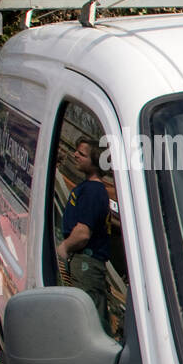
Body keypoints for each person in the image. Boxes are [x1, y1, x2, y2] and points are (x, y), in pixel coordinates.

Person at [55, 136, 113, 333]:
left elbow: (82, 233)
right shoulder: (87, 188)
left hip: (86, 263)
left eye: (82, 154)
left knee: (91, 319)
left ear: (95, 161)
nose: (75, 155)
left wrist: (64, 248)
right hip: (84, 262)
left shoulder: (93, 191)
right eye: (76, 151)